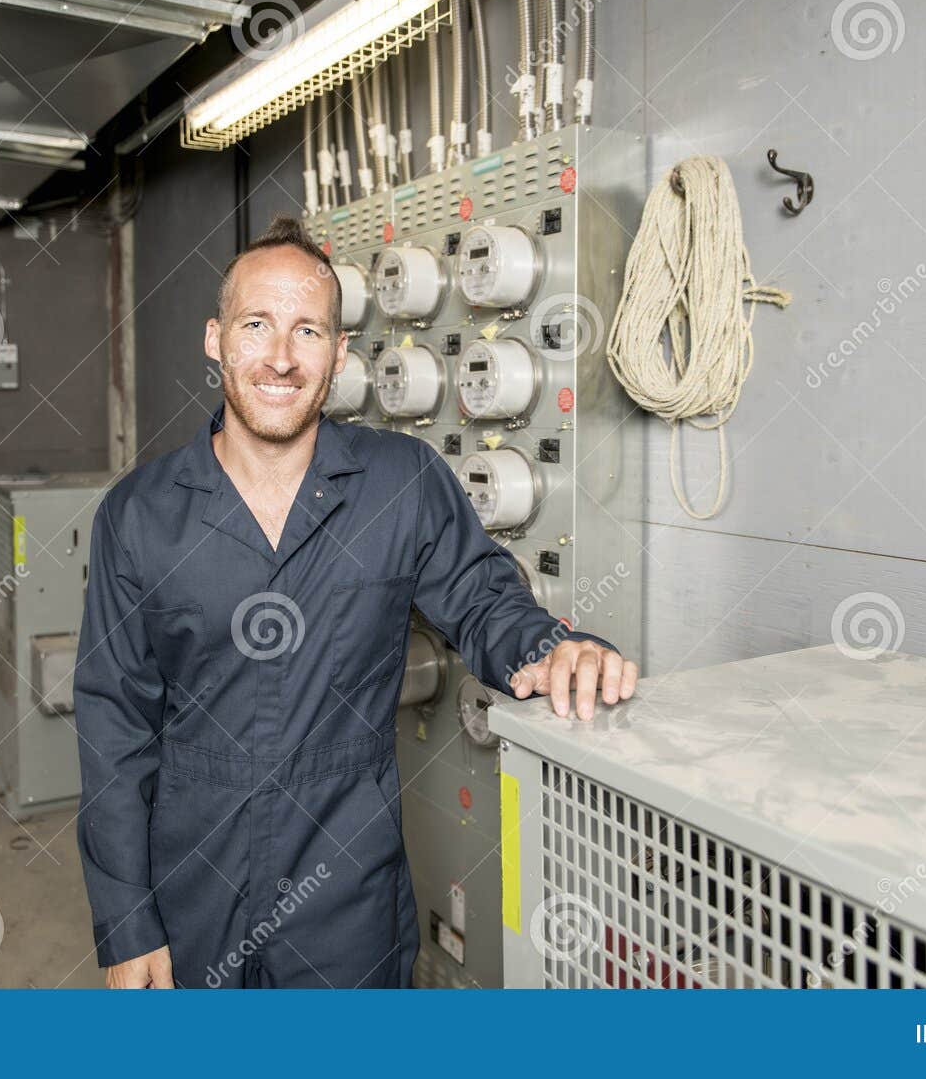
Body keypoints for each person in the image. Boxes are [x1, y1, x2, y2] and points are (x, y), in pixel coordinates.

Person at [73, 215, 639, 989]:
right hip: (190, 889)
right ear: (215, 339)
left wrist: (554, 649)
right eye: (256, 325)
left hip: (346, 890)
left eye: (307, 329)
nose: (279, 356)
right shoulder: (139, 514)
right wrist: (125, 918)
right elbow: (113, 724)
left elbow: (482, 598)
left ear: (339, 353)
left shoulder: (399, 482)